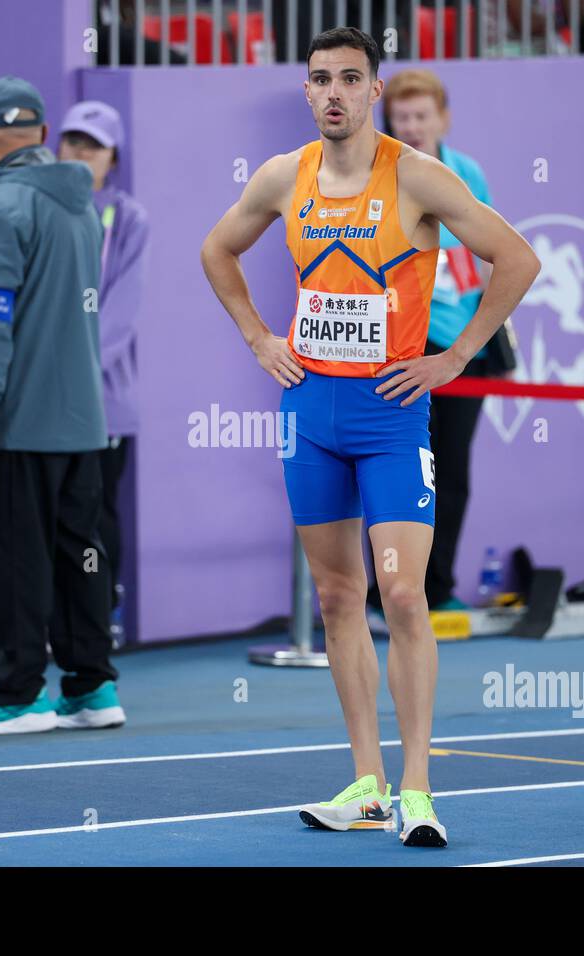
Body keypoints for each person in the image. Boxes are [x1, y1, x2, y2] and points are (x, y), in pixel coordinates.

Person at [200, 27, 539, 846]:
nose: (334, 94)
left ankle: (419, 789)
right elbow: (218, 249)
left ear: (373, 90)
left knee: (403, 596)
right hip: (311, 413)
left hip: (391, 416)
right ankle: (367, 783)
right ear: (307, 91)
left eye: (351, 79)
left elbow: (516, 259)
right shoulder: (286, 176)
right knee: (336, 599)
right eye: (321, 80)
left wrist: (455, 356)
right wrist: (259, 339)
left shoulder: (419, 176)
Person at [0, 77, 124, 735]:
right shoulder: (82, 207)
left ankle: (18, 692)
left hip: (23, 423)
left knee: (19, 559)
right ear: (45, 135)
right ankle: (91, 687)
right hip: (85, 423)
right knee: (82, 555)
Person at [365, 68, 504, 620]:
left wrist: (471, 339)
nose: (414, 127)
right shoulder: (377, 172)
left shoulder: (467, 172)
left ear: (442, 118)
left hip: (459, 351)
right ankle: (384, 592)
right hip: (399, 344)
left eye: (423, 117)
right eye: (403, 118)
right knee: (395, 471)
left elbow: (494, 254)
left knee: (451, 472)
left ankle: (437, 586)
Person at [57, 101, 150, 640]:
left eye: (92, 145)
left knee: (95, 509)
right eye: (72, 141)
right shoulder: (41, 209)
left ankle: (103, 613)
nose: (80, 152)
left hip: (103, 401)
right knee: (56, 511)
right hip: (45, 400)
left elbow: (121, 315)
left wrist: (76, 374)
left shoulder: (129, 217)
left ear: (112, 156)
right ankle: (59, 615)